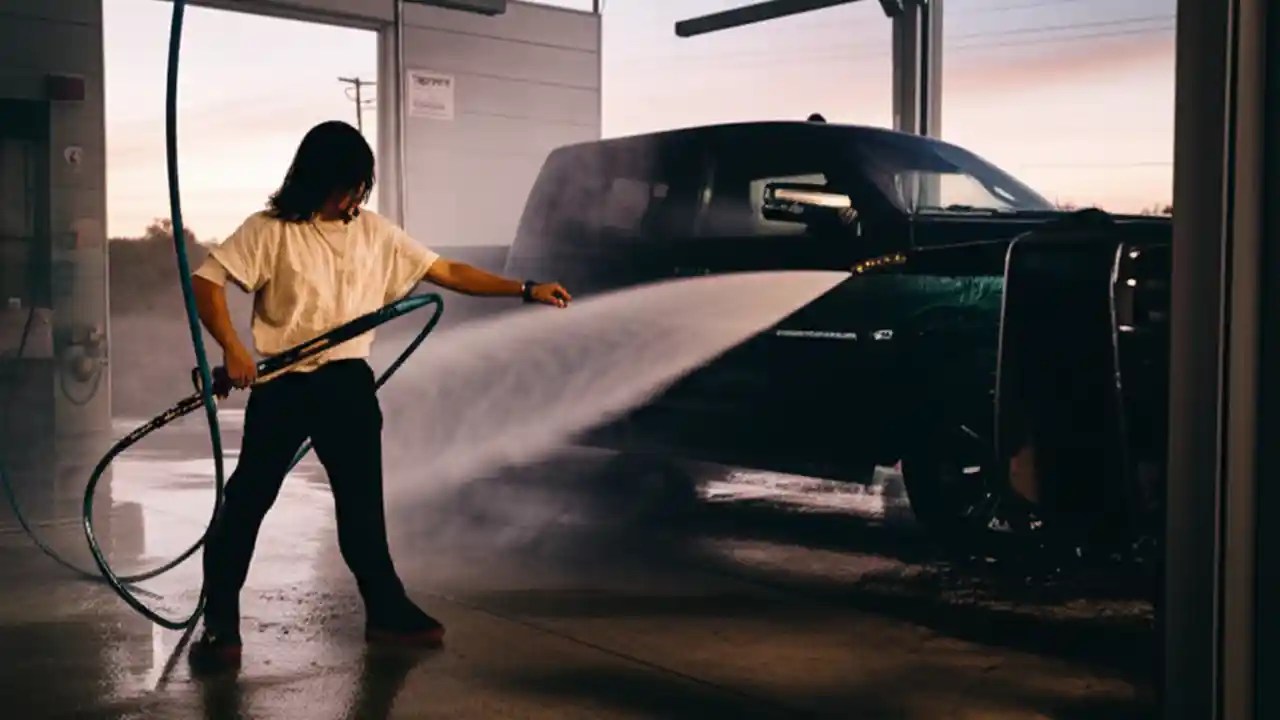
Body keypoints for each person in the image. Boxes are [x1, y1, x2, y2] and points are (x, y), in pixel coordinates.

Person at [187, 120, 571, 669]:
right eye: (346, 186)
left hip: (346, 382)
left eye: (359, 188)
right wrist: (232, 347)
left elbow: (447, 270)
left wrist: (526, 289)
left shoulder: (374, 232)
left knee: (362, 507)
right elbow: (208, 280)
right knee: (248, 501)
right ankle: (220, 622)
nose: (353, 199)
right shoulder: (270, 229)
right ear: (317, 179)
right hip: (284, 385)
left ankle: (386, 610)